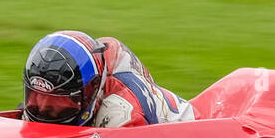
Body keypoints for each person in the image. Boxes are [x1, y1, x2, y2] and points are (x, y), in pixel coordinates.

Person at [20, 31, 195, 127]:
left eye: (58, 103)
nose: (42, 108)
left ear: (91, 91)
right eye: (35, 97)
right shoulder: (93, 68)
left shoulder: (122, 115)